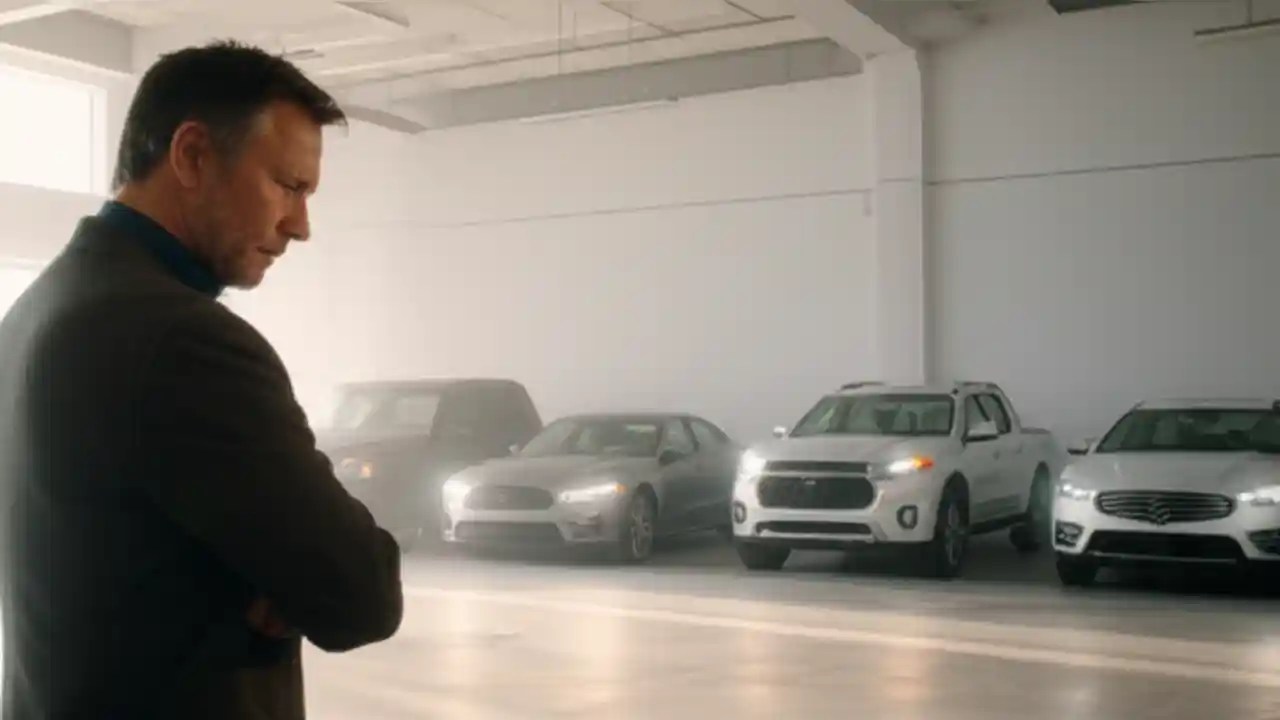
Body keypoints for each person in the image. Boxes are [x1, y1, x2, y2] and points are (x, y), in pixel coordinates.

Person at [0, 41, 403, 719]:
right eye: (288, 185)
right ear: (190, 155)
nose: (299, 226)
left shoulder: (36, 310)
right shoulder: (181, 340)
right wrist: (282, 572)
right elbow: (359, 595)